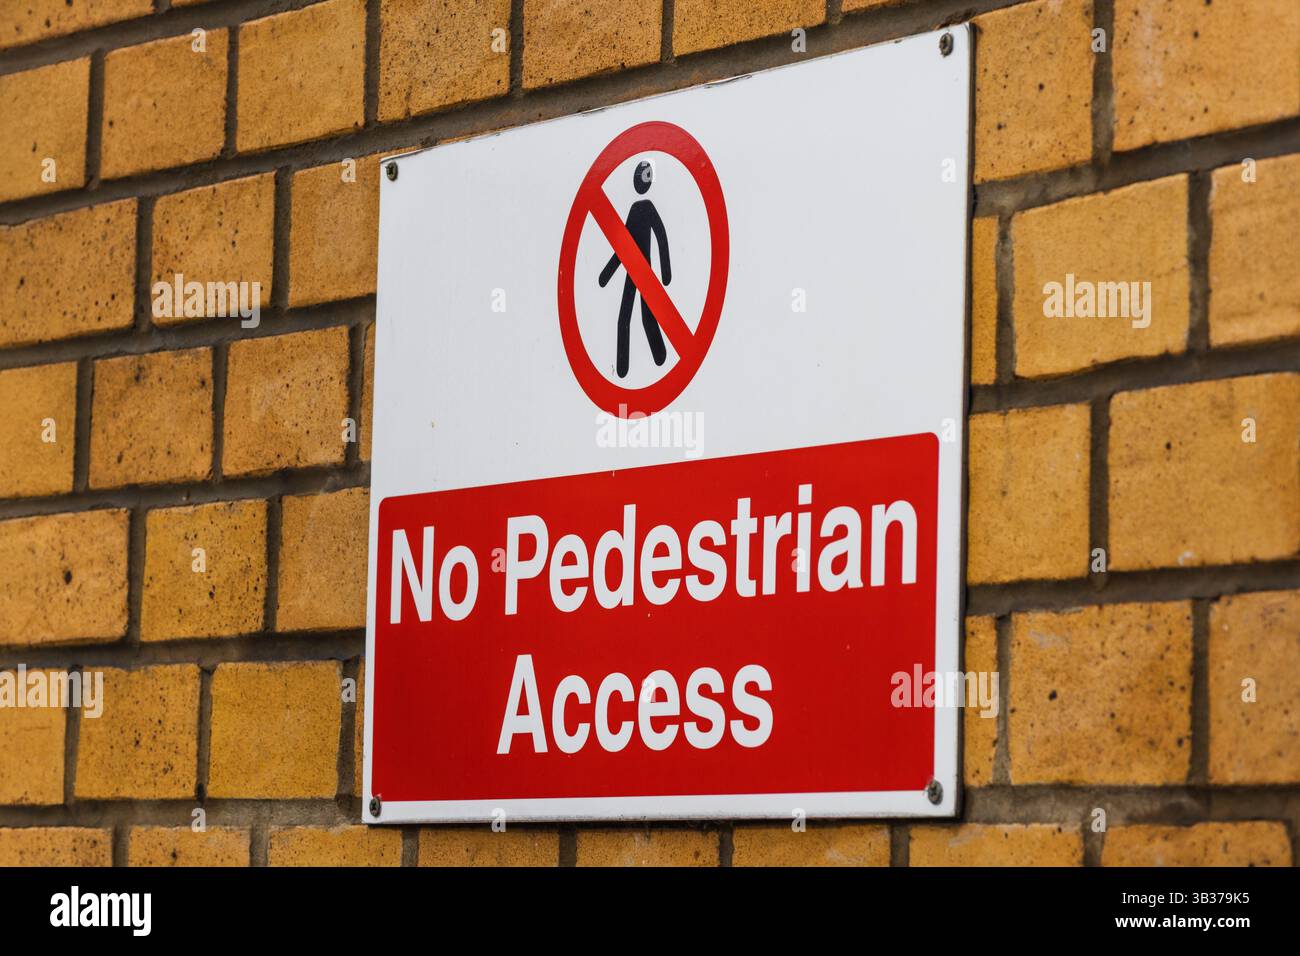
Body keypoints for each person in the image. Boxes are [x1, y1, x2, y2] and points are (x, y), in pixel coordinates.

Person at [598, 160, 672, 378]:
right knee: (624, 317)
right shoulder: (634, 209)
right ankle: (623, 369)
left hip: (645, 273)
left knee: (647, 316)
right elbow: (623, 245)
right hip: (634, 272)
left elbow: (661, 236)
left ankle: (660, 356)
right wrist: (606, 273)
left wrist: (666, 272)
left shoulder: (648, 208)